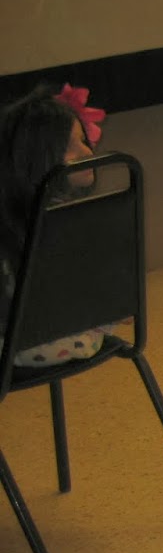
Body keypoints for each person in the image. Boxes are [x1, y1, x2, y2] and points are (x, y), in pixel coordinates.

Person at [0, 84, 112, 368]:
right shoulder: (75, 214)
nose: (87, 152)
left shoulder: (44, 218)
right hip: (87, 333)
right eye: (69, 148)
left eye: (83, 141)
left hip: (34, 343)